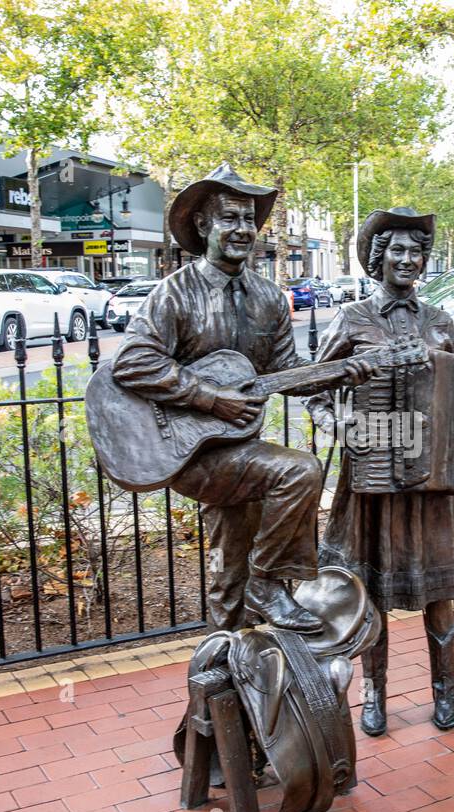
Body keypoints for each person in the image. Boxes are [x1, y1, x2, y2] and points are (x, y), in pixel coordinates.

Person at [111, 163, 372, 633]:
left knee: (229, 566)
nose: (243, 229)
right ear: (204, 225)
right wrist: (210, 398)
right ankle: (268, 584)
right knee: (299, 470)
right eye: (230, 218)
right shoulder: (174, 294)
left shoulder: (269, 298)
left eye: (249, 219)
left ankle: (230, 670)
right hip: (189, 452)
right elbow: (131, 362)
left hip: (240, 449)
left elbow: (283, 374)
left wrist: (339, 373)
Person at [306, 207, 454, 734]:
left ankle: (446, 691)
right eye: (397, 250)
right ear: (378, 257)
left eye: (416, 251)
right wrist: (338, 425)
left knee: (441, 592)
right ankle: (375, 695)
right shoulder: (352, 319)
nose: (408, 259)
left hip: (433, 479)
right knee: (372, 590)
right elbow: (317, 387)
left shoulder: (439, 321)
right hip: (372, 478)